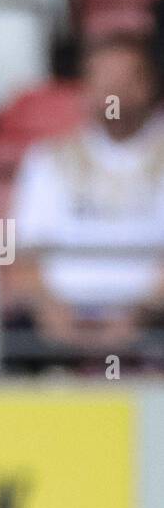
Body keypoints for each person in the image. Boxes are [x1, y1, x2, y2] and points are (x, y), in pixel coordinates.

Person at [10, 31, 164, 373]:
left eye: (123, 80)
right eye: (101, 80)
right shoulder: (48, 160)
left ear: (148, 85)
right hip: (60, 322)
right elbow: (25, 258)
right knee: (10, 339)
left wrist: (140, 314)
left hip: (151, 318)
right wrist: (49, 311)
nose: (112, 92)